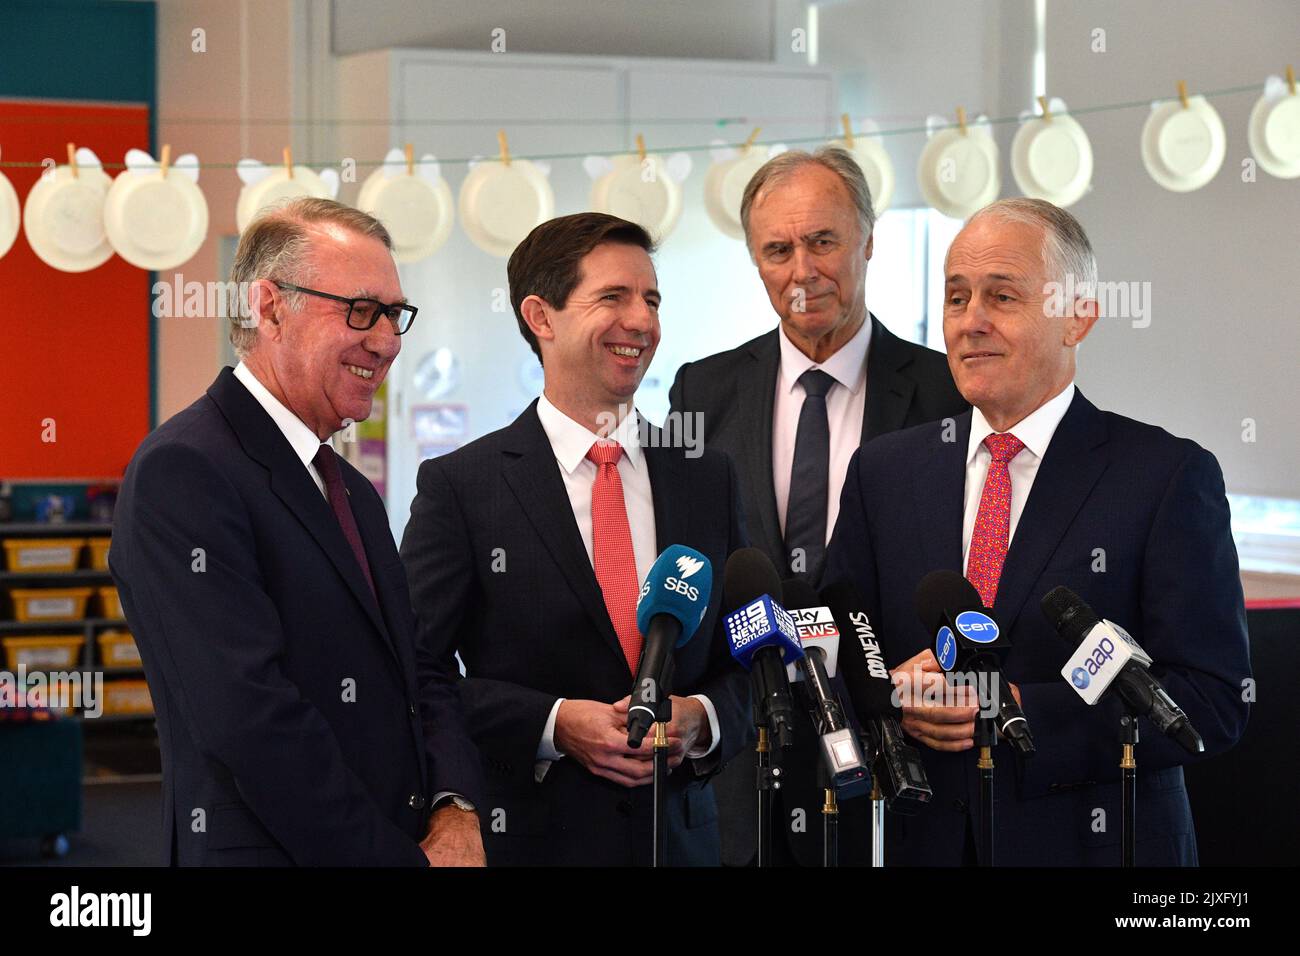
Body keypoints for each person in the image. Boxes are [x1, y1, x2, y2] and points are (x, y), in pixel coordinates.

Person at [824, 197, 1251, 865]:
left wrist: (1018, 706)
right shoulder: (884, 471)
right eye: (957, 297)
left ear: (1079, 315)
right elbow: (842, 640)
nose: (971, 322)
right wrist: (891, 697)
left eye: (1002, 296)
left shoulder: (1166, 477)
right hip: (925, 843)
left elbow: (1212, 700)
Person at [110, 198, 485, 866]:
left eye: (395, 315)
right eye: (362, 310)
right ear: (269, 305)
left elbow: (421, 671)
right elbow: (250, 718)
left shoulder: (354, 493)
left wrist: (455, 807)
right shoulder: (186, 470)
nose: (389, 340)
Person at [400, 213, 749, 866]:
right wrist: (554, 724)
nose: (641, 322)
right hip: (535, 842)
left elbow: (749, 655)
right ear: (541, 316)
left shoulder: (707, 476)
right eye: (613, 297)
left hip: (683, 845)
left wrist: (701, 716)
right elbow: (416, 672)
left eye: (651, 300)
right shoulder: (464, 486)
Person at [669, 146, 966, 866]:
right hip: (745, 761)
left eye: (823, 241)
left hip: (896, 757)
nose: (802, 271)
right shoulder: (700, 393)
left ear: (869, 240)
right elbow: (687, 572)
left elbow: (973, 567)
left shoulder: (949, 391)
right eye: (777, 249)